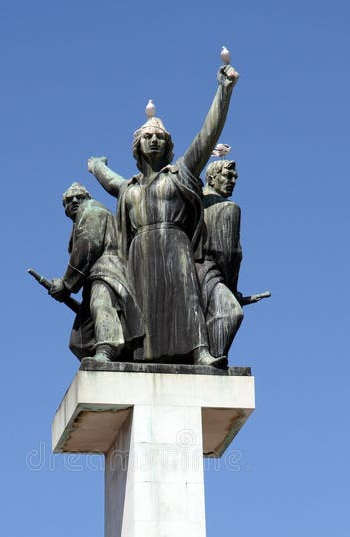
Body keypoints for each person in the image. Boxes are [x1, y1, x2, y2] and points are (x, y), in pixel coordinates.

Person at [87, 64, 239, 366]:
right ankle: (136, 353)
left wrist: (224, 91)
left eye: (159, 136)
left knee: (186, 300)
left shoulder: (179, 174)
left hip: (175, 243)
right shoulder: (130, 188)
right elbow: (110, 180)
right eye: (148, 137)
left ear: (168, 145)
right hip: (140, 250)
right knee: (145, 310)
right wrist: (96, 166)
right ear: (138, 146)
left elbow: (207, 136)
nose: (154, 140)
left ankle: (200, 351)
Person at [49, 183, 142, 362]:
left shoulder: (92, 209)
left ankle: (107, 349)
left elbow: (89, 244)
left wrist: (66, 284)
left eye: (80, 197)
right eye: (69, 200)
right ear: (66, 210)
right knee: (80, 341)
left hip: (107, 269)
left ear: (88, 199)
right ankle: (115, 363)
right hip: (91, 279)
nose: (75, 201)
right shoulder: (78, 221)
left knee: (102, 305)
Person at [198, 159, 243, 358]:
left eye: (235, 177)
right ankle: (215, 359)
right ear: (211, 178)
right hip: (211, 273)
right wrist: (233, 290)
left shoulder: (193, 201)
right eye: (227, 176)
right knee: (232, 313)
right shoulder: (229, 208)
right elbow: (229, 254)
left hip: (186, 272)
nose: (232, 181)